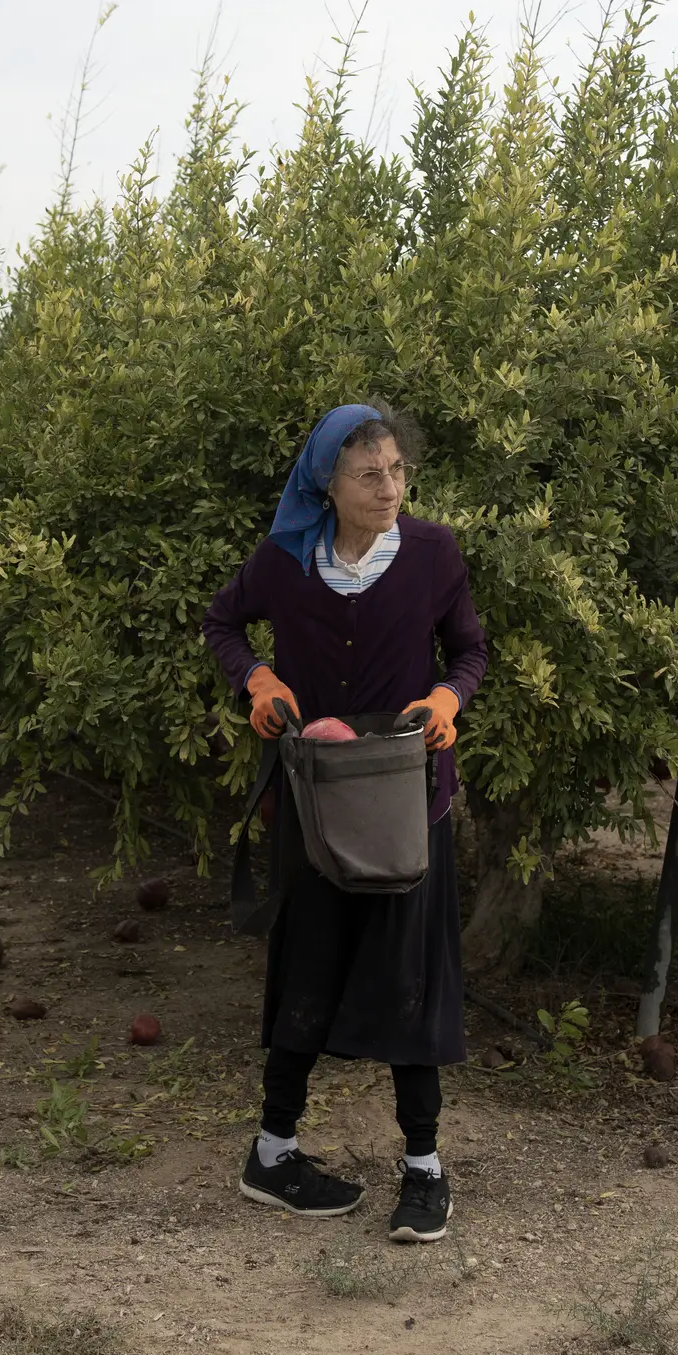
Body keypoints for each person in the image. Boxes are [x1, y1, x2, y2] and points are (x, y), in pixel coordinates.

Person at [202, 401, 486, 1244]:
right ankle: (273, 1152)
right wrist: (256, 678)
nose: (390, 488)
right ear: (328, 484)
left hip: (406, 800)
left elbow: (469, 650)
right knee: (310, 964)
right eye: (371, 475)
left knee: (410, 975)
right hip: (318, 801)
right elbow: (222, 622)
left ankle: (425, 1171)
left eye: (399, 471)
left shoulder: (433, 554)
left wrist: (447, 696)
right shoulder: (285, 561)